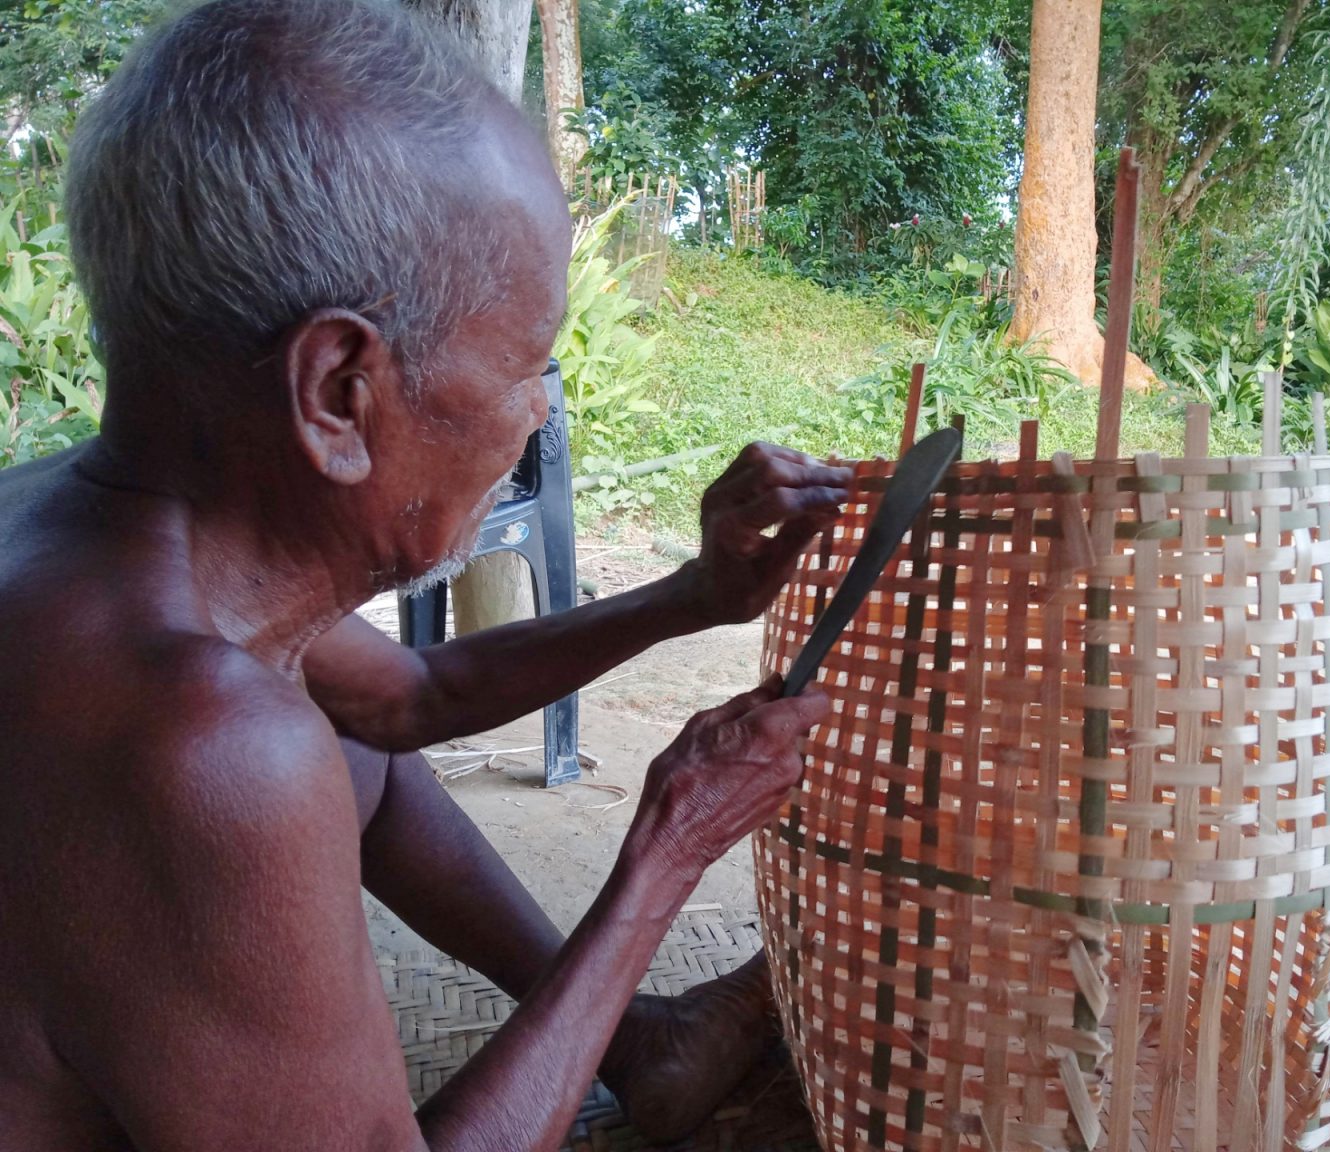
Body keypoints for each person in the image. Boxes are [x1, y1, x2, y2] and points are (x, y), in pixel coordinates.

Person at [0, 1, 851, 1148]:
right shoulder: (203, 746)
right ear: (341, 393)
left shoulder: (81, 530)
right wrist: (667, 853)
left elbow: (409, 700)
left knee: (346, 735)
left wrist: (694, 596)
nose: (541, 408)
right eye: (529, 362)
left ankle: (639, 1044)